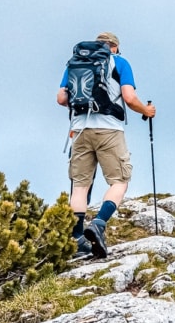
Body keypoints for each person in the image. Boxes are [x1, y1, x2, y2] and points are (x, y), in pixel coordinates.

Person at [57, 32, 156, 259]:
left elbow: (61, 99)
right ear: (115, 47)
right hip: (110, 129)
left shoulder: (75, 63)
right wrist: (146, 111)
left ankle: (77, 239)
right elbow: (129, 98)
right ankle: (99, 223)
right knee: (119, 181)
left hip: (80, 130)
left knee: (80, 186)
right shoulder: (119, 62)